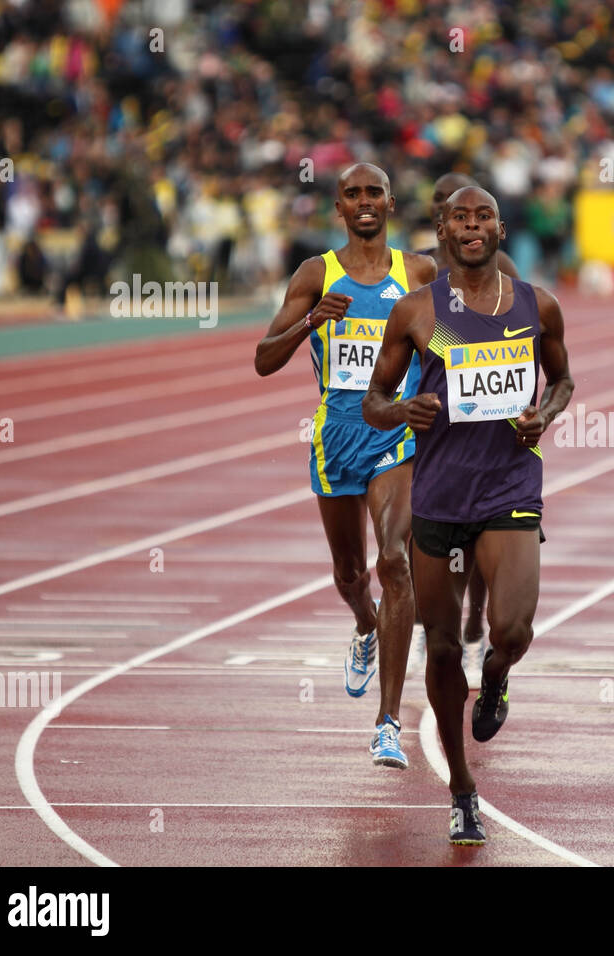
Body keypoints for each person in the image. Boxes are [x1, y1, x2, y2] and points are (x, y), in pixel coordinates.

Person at [363, 185, 574, 845]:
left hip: (509, 485)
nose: (473, 225)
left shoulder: (537, 305)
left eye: (483, 215)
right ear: (444, 229)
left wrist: (547, 412)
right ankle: (461, 787)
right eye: (461, 217)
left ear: (500, 227)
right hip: (440, 496)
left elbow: (564, 379)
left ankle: (500, 679)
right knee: (445, 644)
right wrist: (402, 412)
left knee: (509, 629)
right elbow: (374, 399)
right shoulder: (417, 312)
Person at [254, 163, 436, 770]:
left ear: (390, 201)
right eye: (352, 193)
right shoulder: (316, 274)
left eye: (374, 193)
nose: (364, 202)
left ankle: (387, 722)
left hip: (395, 433)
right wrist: (312, 320)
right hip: (336, 438)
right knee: (350, 573)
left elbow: (460, 339)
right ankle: (365, 624)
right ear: (339, 206)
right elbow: (262, 359)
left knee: (395, 560)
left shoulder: (418, 272)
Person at [419, 173, 520, 661]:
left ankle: (476, 618)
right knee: (418, 528)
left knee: (484, 533)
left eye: (475, 213)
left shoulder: (502, 267)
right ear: (440, 221)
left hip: (489, 427)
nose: (461, 218)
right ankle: (428, 624)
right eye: (446, 207)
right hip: (428, 421)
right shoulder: (419, 269)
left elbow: (525, 333)